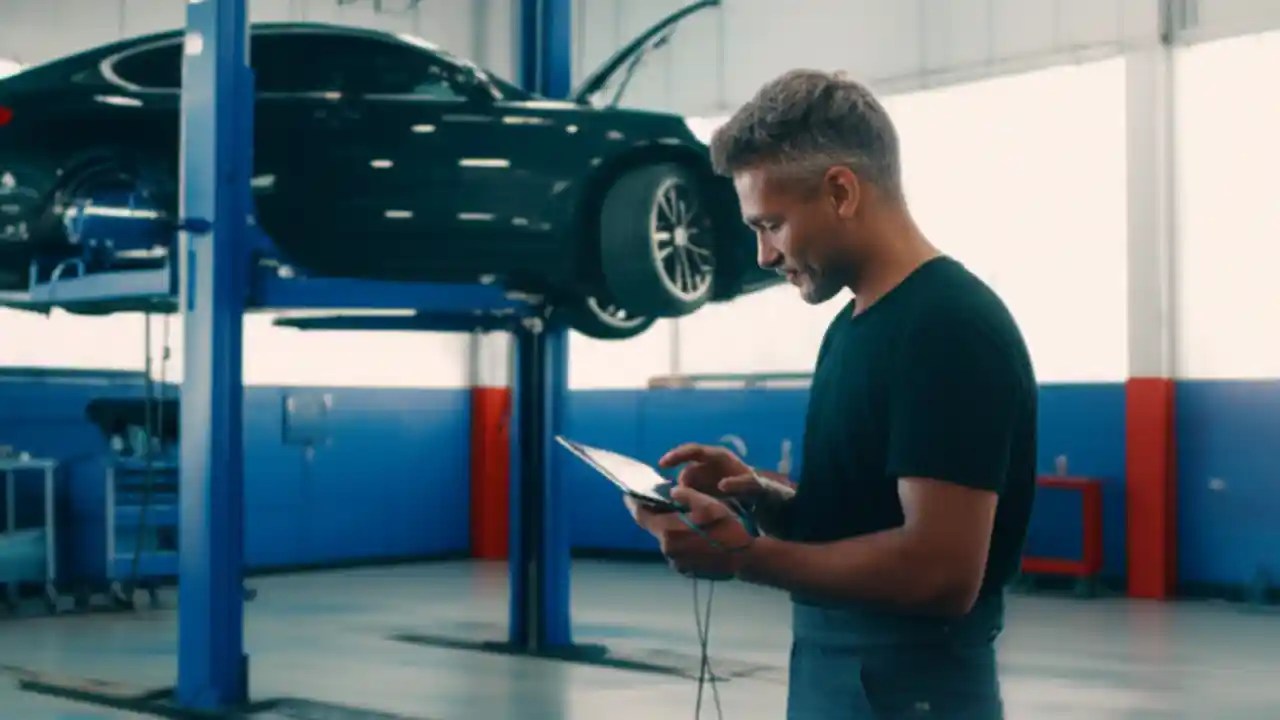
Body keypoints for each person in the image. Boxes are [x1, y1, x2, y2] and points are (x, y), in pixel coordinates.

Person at [624, 69, 1038, 719]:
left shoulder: (949, 327)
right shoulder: (849, 330)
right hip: (838, 675)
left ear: (842, 191)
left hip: (911, 690)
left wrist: (744, 557)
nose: (762, 254)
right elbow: (867, 520)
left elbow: (940, 572)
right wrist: (764, 499)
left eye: (772, 224)